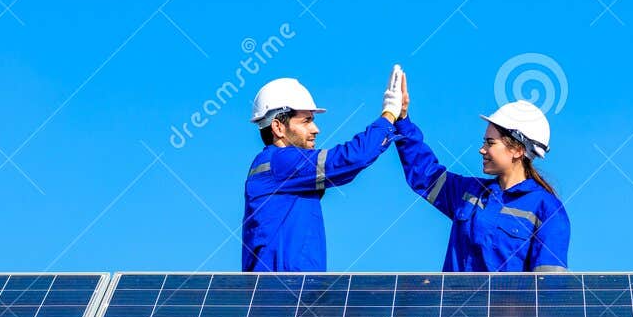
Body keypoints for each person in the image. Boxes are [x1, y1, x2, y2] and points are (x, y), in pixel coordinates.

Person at [392, 79, 570, 273]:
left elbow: (548, 287)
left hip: (508, 305)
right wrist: (402, 120)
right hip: (454, 304)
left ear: (517, 150)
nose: (482, 150)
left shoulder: (546, 209)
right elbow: (424, 174)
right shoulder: (468, 193)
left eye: (490, 143)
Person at [241, 71, 405, 272]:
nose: (315, 129)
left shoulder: (276, 167)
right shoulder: (280, 162)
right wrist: (388, 116)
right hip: (283, 294)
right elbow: (352, 158)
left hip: (290, 292)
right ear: (278, 127)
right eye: (306, 121)